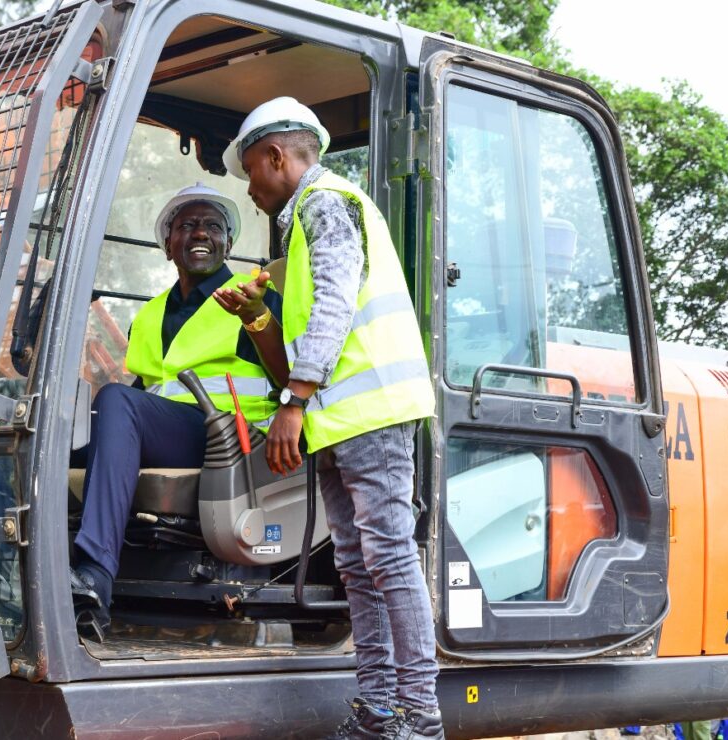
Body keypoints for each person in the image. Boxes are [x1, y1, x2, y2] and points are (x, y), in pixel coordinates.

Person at [224, 96, 438, 739]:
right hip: (344, 421)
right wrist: (258, 318)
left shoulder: (325, 204)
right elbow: (299, 337)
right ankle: (378, 711)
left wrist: (292, 403)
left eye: (251, 172)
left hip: (371, 413)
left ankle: (421, 716)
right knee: (359, 564)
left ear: (276, 156)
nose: (252, 188)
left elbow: (336, 309)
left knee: (389, 557)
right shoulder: (308, 223)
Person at [68, 184, 288, 641]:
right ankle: (28, 579)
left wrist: (259, 316)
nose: (200, 233)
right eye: (187, 226)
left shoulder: (251, 298)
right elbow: (147, 390)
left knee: (113, 400)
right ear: (168, 244)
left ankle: (92, 577)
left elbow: (290, 373)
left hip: (233, 439)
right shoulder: (148, 315)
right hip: (175, 432)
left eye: (212, 225)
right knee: (50, 446)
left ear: (228, 241)